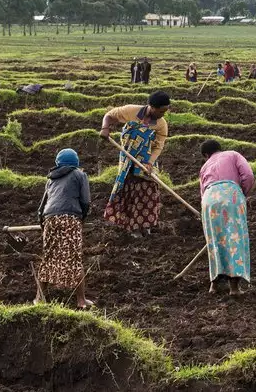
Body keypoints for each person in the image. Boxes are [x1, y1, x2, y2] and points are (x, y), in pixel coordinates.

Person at [100, 91, 171, 236]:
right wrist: (105, 128)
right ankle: (133, 227)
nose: (163, 114)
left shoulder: (161, 124)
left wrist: (150, 163)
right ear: (151, 106)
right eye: (161, 110)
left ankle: (146, 225)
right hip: (128, 159)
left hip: (146, 161)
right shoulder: (131, 111)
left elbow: (159, 145)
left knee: (147, 190)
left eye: (166, 110)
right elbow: (109, 115)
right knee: (130, 190)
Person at [34, 148, 92, 309]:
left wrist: (43, 223)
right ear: (76, 162)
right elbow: (86, 201)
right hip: (70, 218)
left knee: (49, 256)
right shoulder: (79, 175)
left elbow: (42, 206)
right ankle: (81, 300)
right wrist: (81, 218)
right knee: (74, 257)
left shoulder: (51, 179)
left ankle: (39, 298)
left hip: (49, 219)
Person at [198, 140, 256, 296]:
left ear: (206, 155)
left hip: (209, 201)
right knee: (234, 238)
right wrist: (242, 194)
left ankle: (214, 286)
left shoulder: (204, 167)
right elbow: (248, 175)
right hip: (231, 197)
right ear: (219, 149)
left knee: (214, 241)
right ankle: (234, 288)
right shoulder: (233, 154)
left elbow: (203, 192)